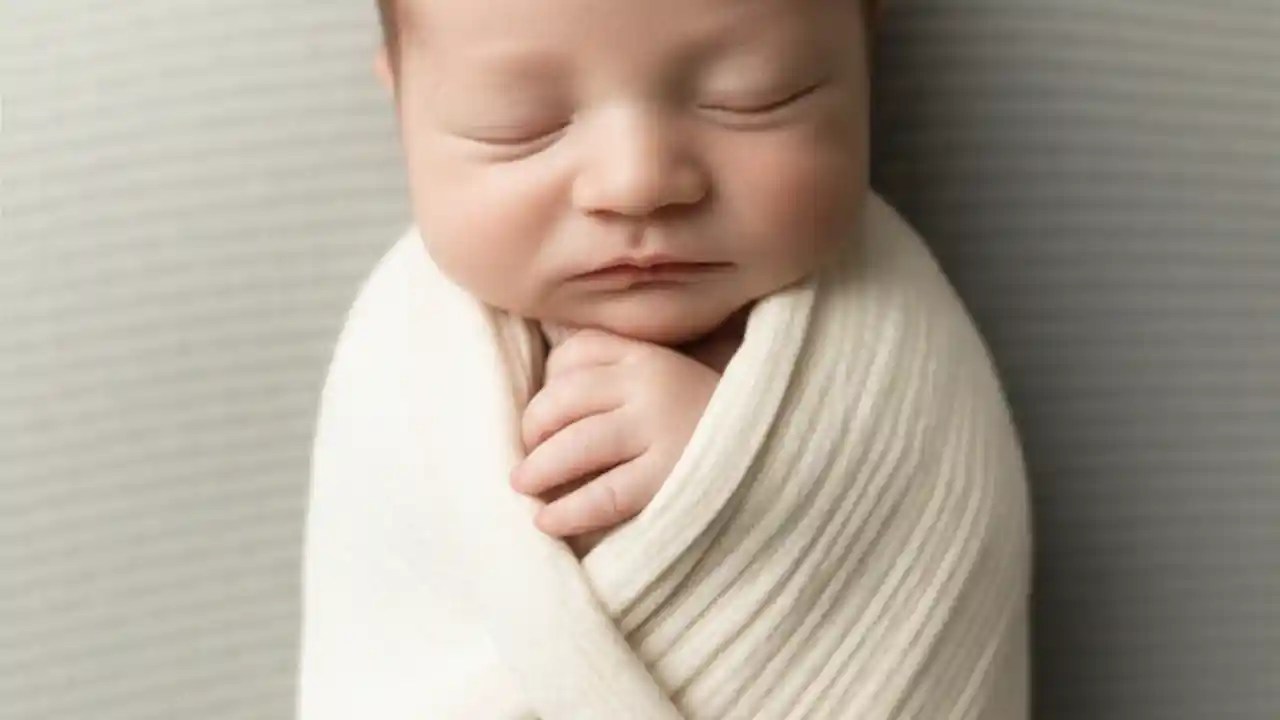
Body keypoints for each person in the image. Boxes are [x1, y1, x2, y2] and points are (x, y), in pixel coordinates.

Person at [296, 0, 1031, 717]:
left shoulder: (892, 327)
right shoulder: (401, 354)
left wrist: (746, 469)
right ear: (402, 102)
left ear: (866, 51)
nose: (637, 183)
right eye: (518, 124)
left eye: (753, 97)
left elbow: (937, 544)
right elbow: (385, 641)